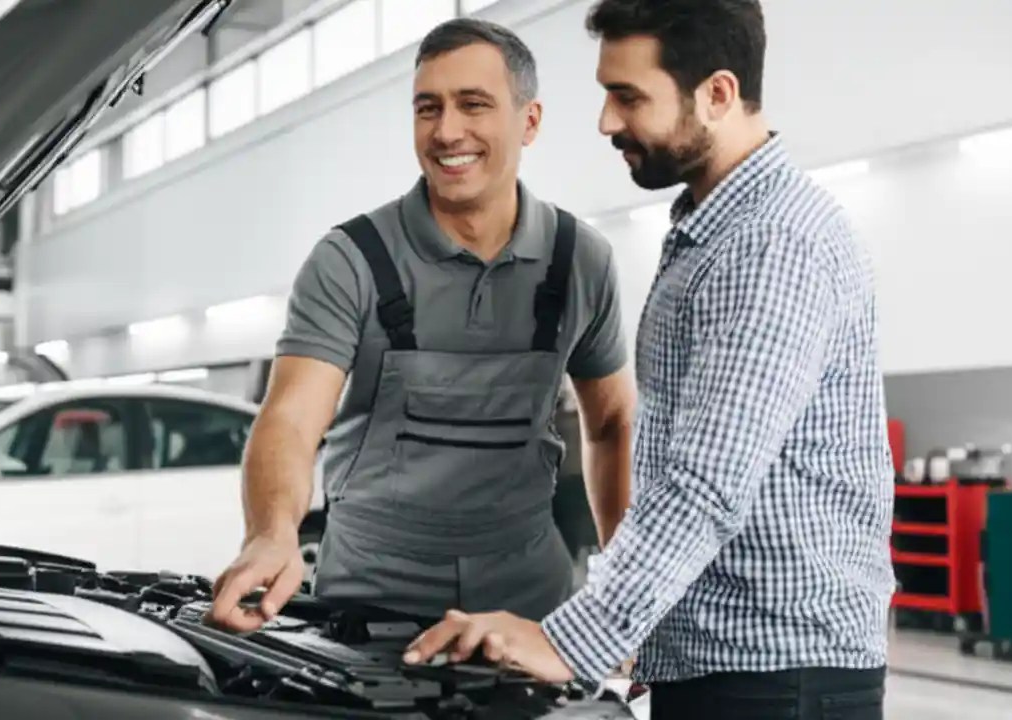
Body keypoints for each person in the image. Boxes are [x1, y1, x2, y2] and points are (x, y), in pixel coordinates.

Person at [403, 2, 897, 718]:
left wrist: (576, 640)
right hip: (733, 668)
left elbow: (705, 480)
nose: (606, 120)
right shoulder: (712, 228)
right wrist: (644, 630)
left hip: (778, 680)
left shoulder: (770, 243)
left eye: (628, 96)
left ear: (717, 94)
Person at [206, 18, 636, 631]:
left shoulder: (580, 260)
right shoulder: (351, 259)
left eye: (473, 105)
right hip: (370, 609)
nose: (446, 131)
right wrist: (272, 533)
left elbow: (614, 422)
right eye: (427, 108)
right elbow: (292, 420)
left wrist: (622, 584)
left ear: (530, 121)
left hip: (526, 613)